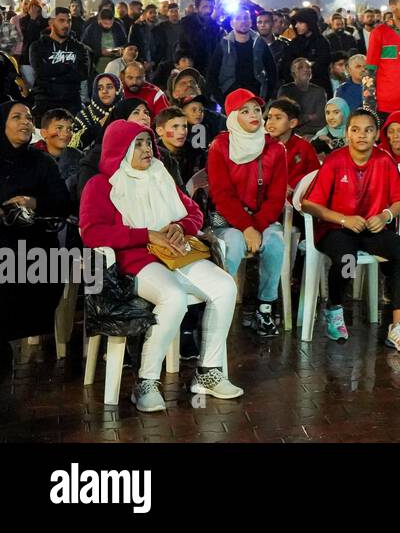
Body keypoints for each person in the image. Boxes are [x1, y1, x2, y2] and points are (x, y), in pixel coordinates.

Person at [80, 119, 243, 412]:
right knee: (174, 297)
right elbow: (92, 232)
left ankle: (208, 371)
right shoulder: (102, 185)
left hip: (176, 253)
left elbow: (194, 212)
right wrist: (145, 234)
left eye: (148, 143)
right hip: (135, 259)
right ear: (120, 150)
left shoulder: (160, 174)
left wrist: (181, 227)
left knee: (225, 286)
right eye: (138, 144)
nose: (147, 150)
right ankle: (147, 381)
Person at [301, 109, 400, 349]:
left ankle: (398, 326)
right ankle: (334, 309)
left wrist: (386, 215)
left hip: (370, 229)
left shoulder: (384, 160)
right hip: (335, 229)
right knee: (346, 259)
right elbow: (309, 204)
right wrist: (344, 219)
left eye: (368, 130)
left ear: (376, 135)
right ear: (347, 134)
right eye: (355, 130)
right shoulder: (335, 160)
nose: (362, 135)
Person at [205, 89, 289, 336]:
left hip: (262, 219)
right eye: (245, 111)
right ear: (232, 117)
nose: (254, 115)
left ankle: (265, 307)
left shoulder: (275, 148)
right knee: (231, 243)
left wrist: (258, 225)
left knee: (275, 242)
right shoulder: (220, 145)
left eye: (256, 110)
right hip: (226, 218)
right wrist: (246, 227)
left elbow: (276, 196)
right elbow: (221, 195)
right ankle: (221, 306)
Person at [0, 101, 76, 373]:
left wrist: (33, 202)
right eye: (16, 117)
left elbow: (63, 203)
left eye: (29, 117)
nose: (24, 121)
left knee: (41, 266)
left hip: (35, 237)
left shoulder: (41, 161)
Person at [28, 6, 93, 119]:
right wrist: (68, 67)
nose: (66, 25)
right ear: (51, 22)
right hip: (45, 100)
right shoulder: (38, 46)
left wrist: (53, 73)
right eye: (61, 21)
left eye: (69, 21)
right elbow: (41, 71)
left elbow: (83, 73)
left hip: (72, 101)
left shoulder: (80, 48)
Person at [206, 6, 278, 104]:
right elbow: (212, 75)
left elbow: (272, 71)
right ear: (232, 23)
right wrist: (221, 100)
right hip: (230, 97)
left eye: (246, 18)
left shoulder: (259, 43)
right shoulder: (223, 45)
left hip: (255, 97)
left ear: (250, 22)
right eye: (238, 18)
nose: (243, 21)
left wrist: (266, 97)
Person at [263, 97, 321, 194]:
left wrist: (295, 188)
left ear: (292, 123)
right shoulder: (259, 145)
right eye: (269, 117)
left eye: (278, 118)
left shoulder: (304, 147)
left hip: (296, 202)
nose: (271, 122)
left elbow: (316, 178)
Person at [280, 7, 334, 92]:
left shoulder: (321, 42)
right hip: (296, 89)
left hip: (317, 89)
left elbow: (321, 65)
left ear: (310, 23)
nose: (296, 26)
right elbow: (286, 64)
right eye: (296, 23)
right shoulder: (294, 43)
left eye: (300, 22)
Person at [152, 105, 201, 189]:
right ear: (160, 131)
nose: (182, 132)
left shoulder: (198, 154)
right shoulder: (151, 156)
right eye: (175, 127)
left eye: (184, 126)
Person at [277, 56, 329, 134]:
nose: (306, 70)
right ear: (293, 72)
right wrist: (310, 117)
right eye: (300, 67)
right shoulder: (285, 90)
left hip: (316, 134)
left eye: (308, 67)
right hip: (292, 134)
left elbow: (321, 118)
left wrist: (302, 119)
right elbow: (285, 117)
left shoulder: (319, 91)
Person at [37, 107, 83, 195]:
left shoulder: (78, 157)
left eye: (69, 129)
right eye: (59, 128)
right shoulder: (31, 156)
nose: (66, 133)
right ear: (44, 133)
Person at [70, 73, 122, 150]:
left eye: (110, 87)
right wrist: (99, 125)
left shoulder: (128, 112)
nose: (104, 91)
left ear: (117, 90)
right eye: (99, 88)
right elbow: (75, 146)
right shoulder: (84, 116)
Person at [179, 0, 224, 75]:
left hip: (211, 69)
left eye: (211, 7)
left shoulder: (215, 24)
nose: (209, 11)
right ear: (196, 9)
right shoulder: (187, 22)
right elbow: (195, 41)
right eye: (205, 7)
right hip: (193, 69)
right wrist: (211, 20)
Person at [81, 4, 127, 74]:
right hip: (96, 67)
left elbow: (125, 44)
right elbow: (84, 46)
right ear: (99, 20)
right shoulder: (92, 28)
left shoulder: (118, 27)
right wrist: (99, 52)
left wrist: (119, 51)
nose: (108, 26)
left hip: (116, 66)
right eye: (105, 23)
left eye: (110, 23)